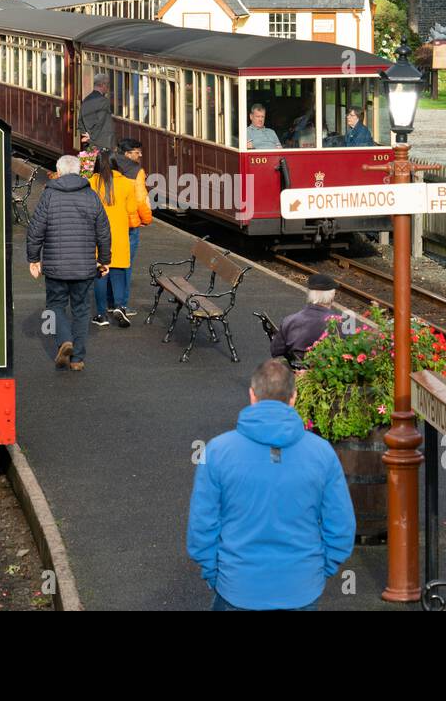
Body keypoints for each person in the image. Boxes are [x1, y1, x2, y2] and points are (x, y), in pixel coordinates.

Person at [186, 359, 355, 611]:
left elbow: (202, 526)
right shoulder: (321, 452)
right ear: (294, 397)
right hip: (301, 586)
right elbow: (341, 526)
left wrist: (214, 573)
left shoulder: (218, 451)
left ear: (252, 395)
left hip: (237, 587)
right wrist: (320, 569)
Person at [25, 155, 112, 371]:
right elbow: (104, 231)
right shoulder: (91, 196)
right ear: (79, 171)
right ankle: (77, 359)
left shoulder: (49, 195)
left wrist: (34, 259)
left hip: (55, 267)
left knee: (55, 306)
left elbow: (35, 230)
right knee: (82, 310)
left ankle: (65, 340)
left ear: (59, 171)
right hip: (84, 267)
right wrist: (104, 260)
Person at [88, 151, 136, 328]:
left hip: (98, 237)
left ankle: (101, 315)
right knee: (119, 272)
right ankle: (120, 306)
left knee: (101, 274)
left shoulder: (92, 182)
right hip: (120, 235)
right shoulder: (127, 184)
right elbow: (131, 209)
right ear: (117, 164)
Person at [113, 138, 153, 317]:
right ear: (127, 154)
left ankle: (108, 302)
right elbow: (140, 199)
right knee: (125, 265)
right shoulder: (137, 171)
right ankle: (121, 304)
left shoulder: (107, 164)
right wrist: (146, 219)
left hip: (110, 221)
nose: (140, 155)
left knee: (108, 262)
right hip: (129, 224)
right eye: (137, 152)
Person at [270, 273, 343, 361]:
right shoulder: (340, 325)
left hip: (296, 372)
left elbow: (275, 351)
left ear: (309, 295)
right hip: (328, 372)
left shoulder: (290, 321)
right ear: (332, 297)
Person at [78, 73, 115, 153]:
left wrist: (84, 133)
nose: (108, 88)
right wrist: (91, 137)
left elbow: (80, 121)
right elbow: (101, 123)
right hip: (101, 144)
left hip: (88, 144)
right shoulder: (104, 101)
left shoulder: (86, 100)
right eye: (108, 84)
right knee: (101, 165)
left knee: (88, 165)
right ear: (102, 85)